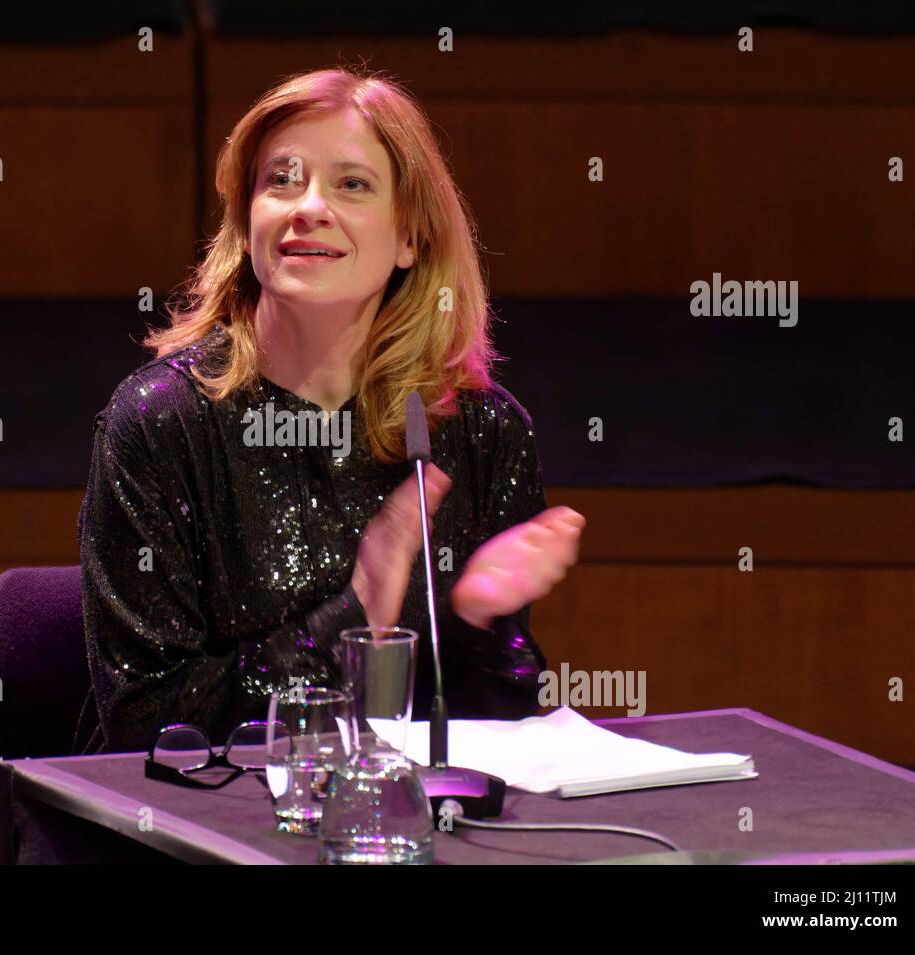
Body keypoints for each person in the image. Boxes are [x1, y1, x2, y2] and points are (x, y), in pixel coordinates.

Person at [74, 67, 584, 756]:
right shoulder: (161, 424)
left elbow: (491, 744)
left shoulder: (482, 432)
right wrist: (359, 609)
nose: (307, 206)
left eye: (352, 184)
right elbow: (151, 729)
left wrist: (481, 625)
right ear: (247, 222)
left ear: (410, 237)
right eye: (280, 179)